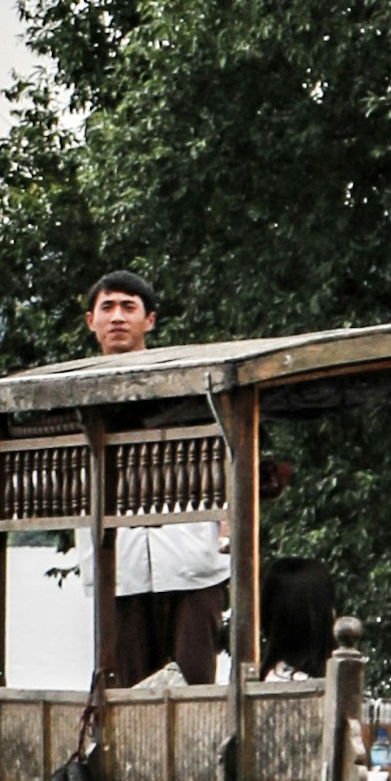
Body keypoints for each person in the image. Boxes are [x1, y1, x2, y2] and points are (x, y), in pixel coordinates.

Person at [83, 266, 228, 684]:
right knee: (123, 689)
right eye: (107, 307)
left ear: (149, 320)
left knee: (195, 683)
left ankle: (202, 752)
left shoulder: (187, 385)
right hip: (119, 567)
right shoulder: (72, 395)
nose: (117, 317)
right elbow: (48, 465)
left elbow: (224, 451)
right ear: (91, 321)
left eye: (129, 307)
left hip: (191, 559)